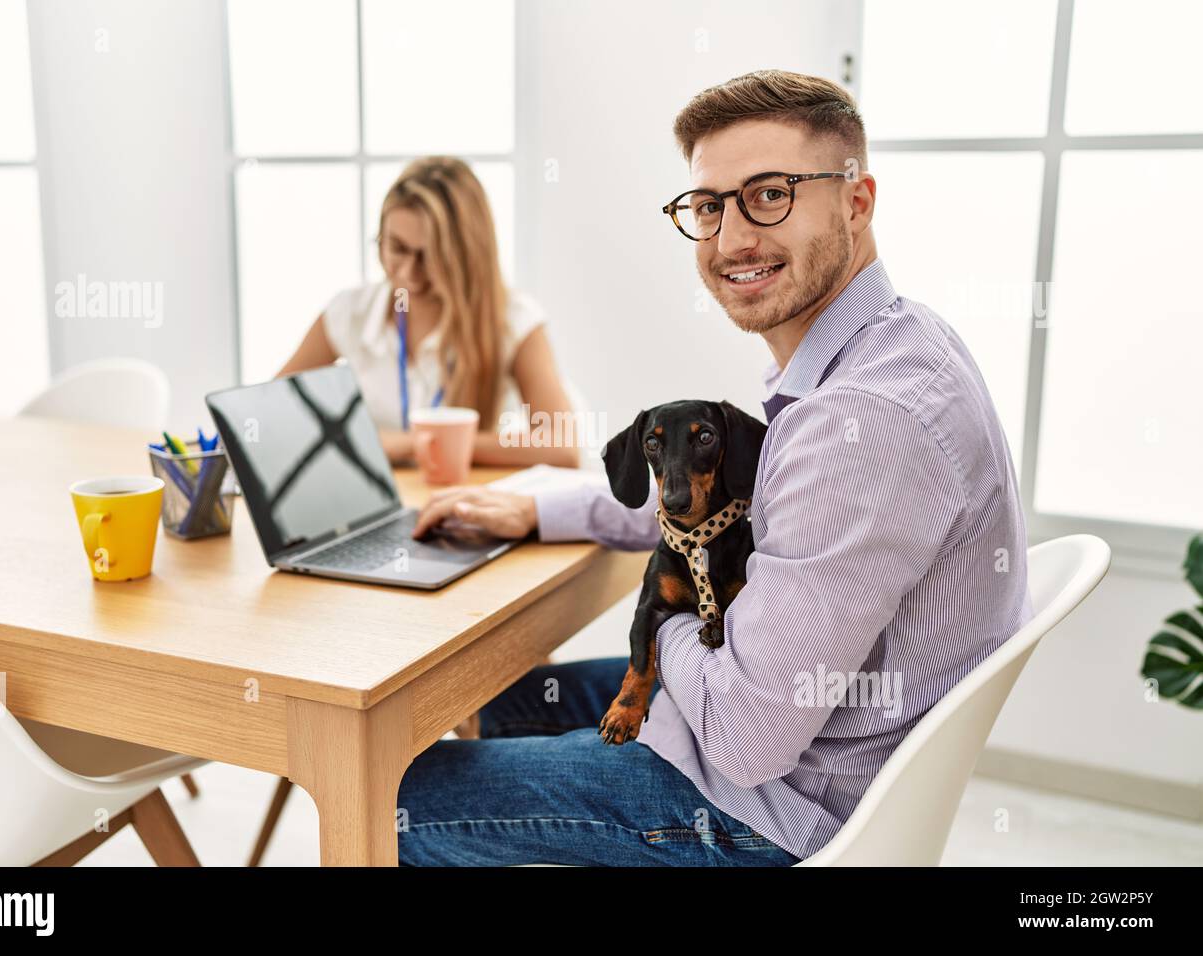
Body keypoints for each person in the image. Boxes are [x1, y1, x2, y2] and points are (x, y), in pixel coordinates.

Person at [396, 69, 1032, 866]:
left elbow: (744, 737)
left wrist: (661, 620)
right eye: (709, 207)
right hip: (806, 746)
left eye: (770, 194)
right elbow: (735, 504)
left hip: (767, 807)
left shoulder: (861, 422)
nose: (731, 239)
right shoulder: (892, 350)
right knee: (494, 702)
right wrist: (542, 512)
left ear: (856, 202)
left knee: (394, 799)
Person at [278, 156, 579, 469]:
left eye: (430, 256)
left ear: (468, 255)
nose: (409, 273)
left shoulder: (514, 318)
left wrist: (417, 443)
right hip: (386, 505)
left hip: (468, 503)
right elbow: (266, 413)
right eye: (397, 248)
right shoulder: (350, 312)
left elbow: (562, 447)